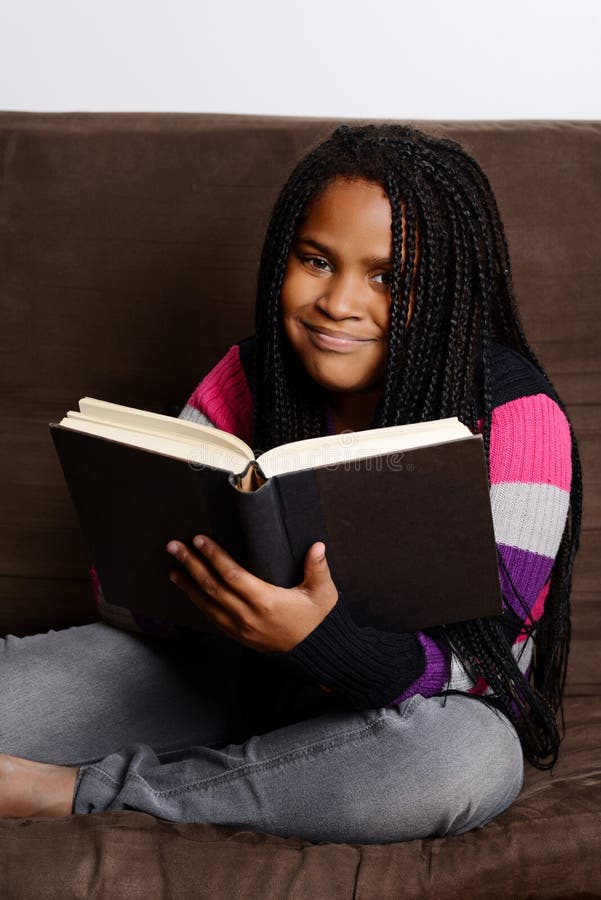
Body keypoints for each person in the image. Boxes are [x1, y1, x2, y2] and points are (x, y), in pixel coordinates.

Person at [0, 123, 582, 844]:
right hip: (219, 678)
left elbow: (486, 669)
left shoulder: (520, 420)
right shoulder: (244, 378)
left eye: (386, 276)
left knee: (465, 761)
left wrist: (315, 640)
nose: (338, 302)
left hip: (393, 720)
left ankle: (83, 793)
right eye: (315, 260)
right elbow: (122, 601)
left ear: (447, 291)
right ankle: (255, 771)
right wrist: (194, 595)